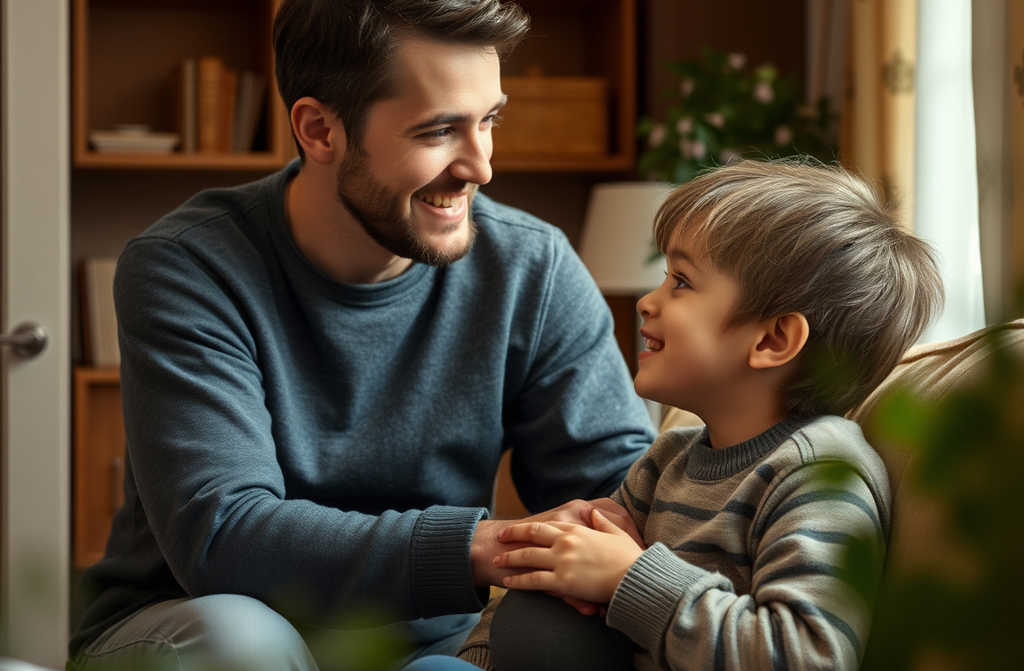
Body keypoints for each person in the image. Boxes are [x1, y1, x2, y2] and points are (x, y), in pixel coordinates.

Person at [66, 1, 655, 669]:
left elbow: (620, 491)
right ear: (320, 130)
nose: (481, 166)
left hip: (424, 644)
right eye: (439, 131)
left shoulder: (531, 268)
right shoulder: (189, 266)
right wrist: (476, 547)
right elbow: (222, 534)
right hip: (195, 626)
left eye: (489, 120)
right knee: (245, 642)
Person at [457, 159, 945, 670]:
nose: (648, 301)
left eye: (682, 282)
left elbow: (805, 657)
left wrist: (629, 578)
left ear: (772, 339)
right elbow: (548, 581)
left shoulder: (820, 474)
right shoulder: (668, 459)